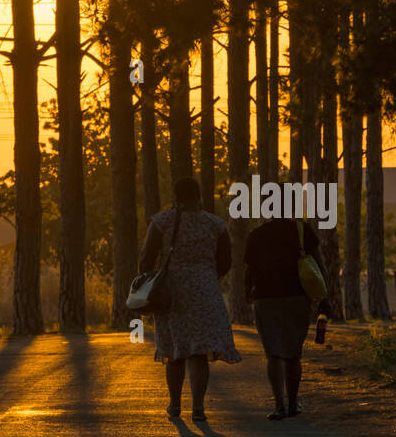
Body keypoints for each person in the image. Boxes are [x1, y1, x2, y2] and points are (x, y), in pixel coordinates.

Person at [138, 176, 240, 422]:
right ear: (199, 197)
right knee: (198, 351)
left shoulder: (162, 221)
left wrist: (154, 279)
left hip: (171, 293)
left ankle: (174, 404)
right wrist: (206, 275)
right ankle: (198, 407)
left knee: (174, 351)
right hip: (205, 291)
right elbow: (226, 261)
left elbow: (145, 259)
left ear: (176, 196)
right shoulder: (215, 224)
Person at [243, 213, 332, 420]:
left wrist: (248, 293)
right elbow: (319, 266)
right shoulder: (303, 231)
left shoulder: (257, 234)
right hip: (298, 297)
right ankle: (293, 403)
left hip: (265, 298)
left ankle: (279, 405)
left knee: (273, 354)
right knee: (293, 354)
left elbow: (250, 271)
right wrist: (324, 297)